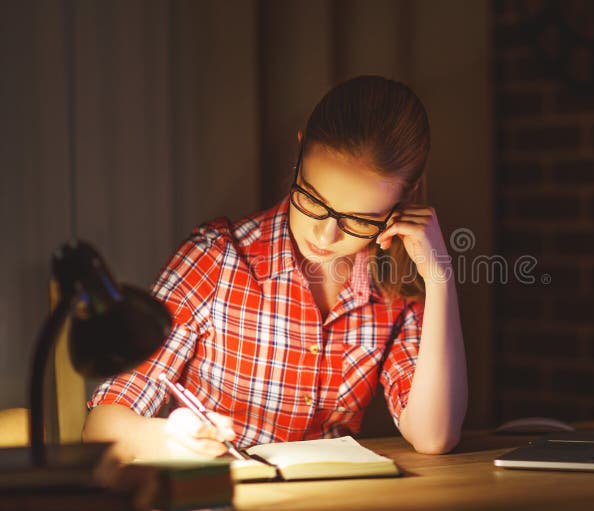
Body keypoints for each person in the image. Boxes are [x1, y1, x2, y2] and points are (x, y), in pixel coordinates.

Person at [82, 76, 467, 459]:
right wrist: (173, 436)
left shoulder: (393, 287)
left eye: (360, 220)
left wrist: (439, 278)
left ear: (406, 200)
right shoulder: (217, 257)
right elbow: (101, 427)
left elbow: (434, 437)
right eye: (312, 200)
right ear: (299, 157)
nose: (326, 234)